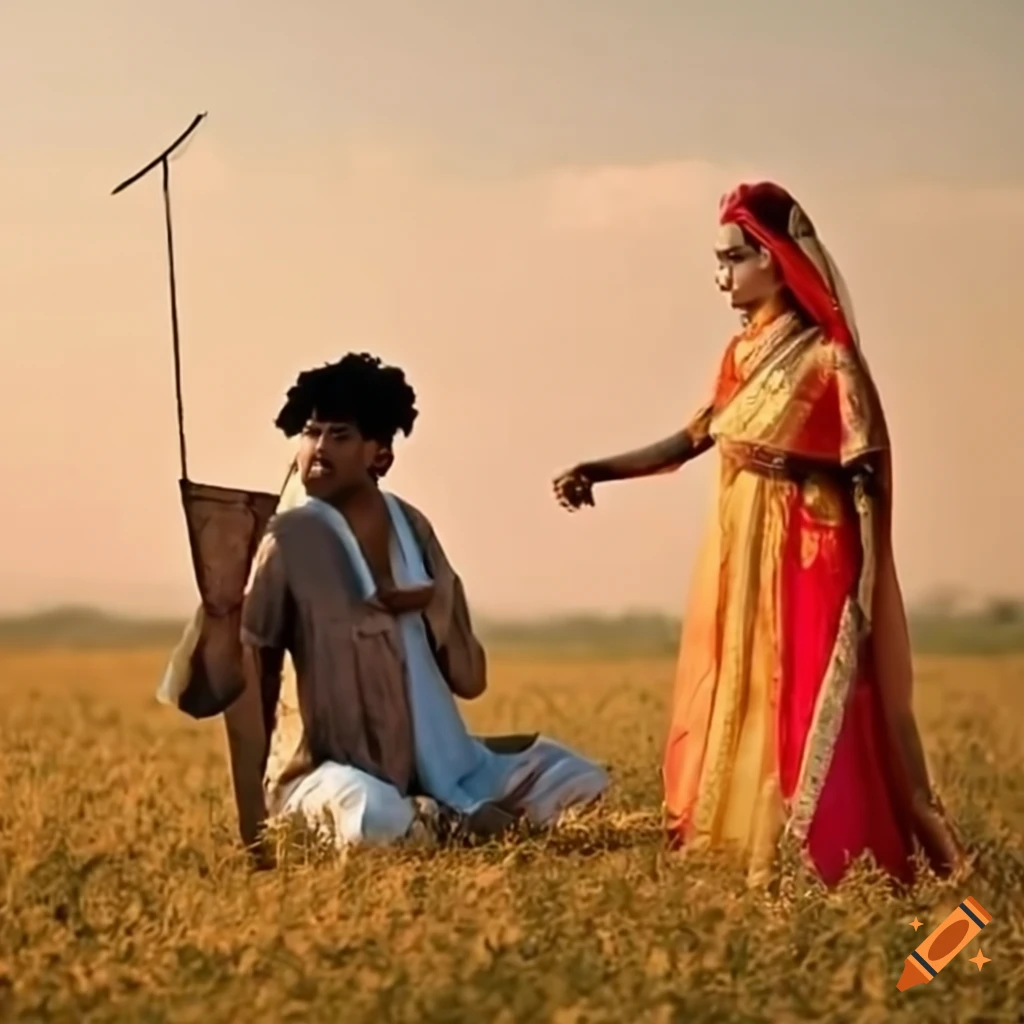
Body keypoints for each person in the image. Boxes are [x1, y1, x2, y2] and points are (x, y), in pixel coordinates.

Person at [552, 182, 964, 887]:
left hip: (808, 547)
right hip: (740, 547)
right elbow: (690, 440)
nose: (722, 279)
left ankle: (841, 854)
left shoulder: (829, 359)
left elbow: (864, 474)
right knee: (745, 685)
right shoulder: (739, 356)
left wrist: (863, 584)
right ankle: (752, 847)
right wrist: (600, 469)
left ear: (775, 258)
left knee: (806, 686)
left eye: (734, 259)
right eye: (717, 262)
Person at [178, 352, 609, 856]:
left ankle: (444, 818)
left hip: (442, 766)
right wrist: (257, 831)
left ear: (378, 455)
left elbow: (470, 679)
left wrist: (440, 608)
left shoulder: (412, 527)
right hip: (328, 773)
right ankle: (452, 827)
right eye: (311, 432)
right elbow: (240, 687)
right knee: (369, 814)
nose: (319, 449)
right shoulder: (287, 541)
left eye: (339, 436)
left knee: (577, 780)